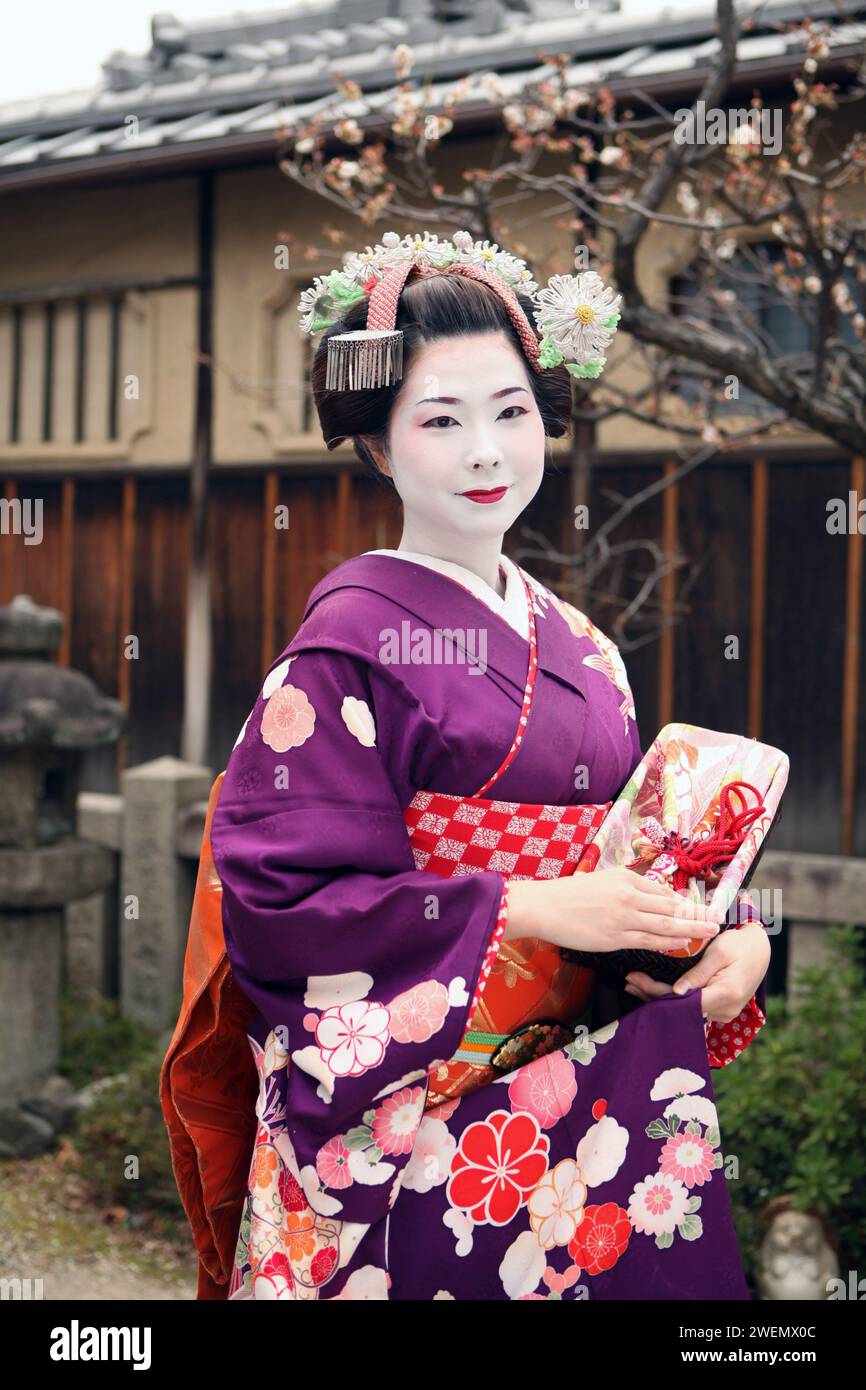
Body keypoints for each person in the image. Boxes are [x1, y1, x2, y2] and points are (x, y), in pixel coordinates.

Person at [167, 231, 774, 1301]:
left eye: (509, 411)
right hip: (397, 1128)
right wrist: (533, 909)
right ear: (379, 445)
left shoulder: (586, 650)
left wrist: (714, 942)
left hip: (570, 1116)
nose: (487, 451)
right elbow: (285, 901)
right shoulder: (344, 645)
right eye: (440, 420)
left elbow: (622, 868)